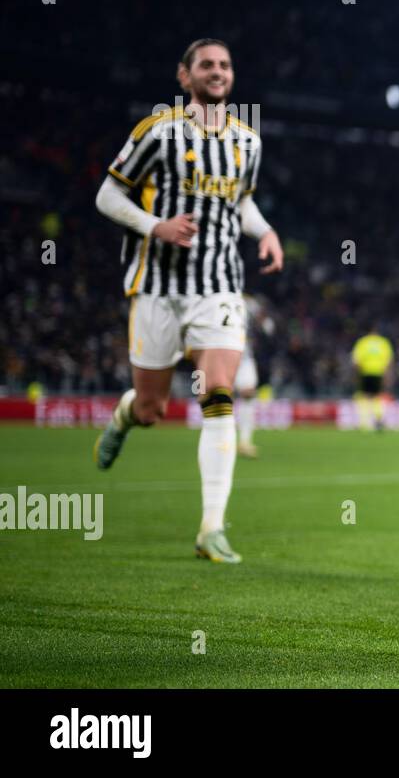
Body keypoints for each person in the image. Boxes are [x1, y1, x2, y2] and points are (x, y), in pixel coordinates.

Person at [92, 38, 284, 564]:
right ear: (185, 76)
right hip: (157, 288)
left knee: (218, 391)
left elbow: (239, 200)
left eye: (224, 64)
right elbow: (108, 195)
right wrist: (156, 224)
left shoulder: (248, 142)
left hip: (220, 285)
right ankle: (126, 416)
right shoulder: (157, 133)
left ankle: (211, 527)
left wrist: (265, 232)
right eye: (206, 65)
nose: (217, 72)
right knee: (153, 408)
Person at [234, 293, 272, 458]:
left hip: (244, 356)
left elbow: (264, 322)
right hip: (221, 353)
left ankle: (245, 442)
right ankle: (221, 439)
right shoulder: (212, 293)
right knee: (219, 394)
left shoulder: (249, 302)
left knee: (249, 393)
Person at [351, 328, 393, 432]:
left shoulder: (363, 342)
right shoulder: (383, 342)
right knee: (377, 396)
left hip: (365, 372)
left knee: (363, 396)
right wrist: (387, 375)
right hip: (378, 373)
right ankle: (378, 420)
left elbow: (356, 360)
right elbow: (389, 360)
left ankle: (362, 422)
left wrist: (357, 374)